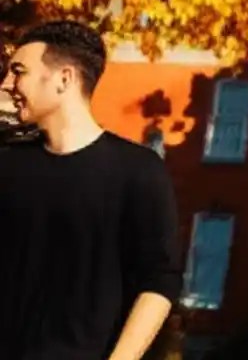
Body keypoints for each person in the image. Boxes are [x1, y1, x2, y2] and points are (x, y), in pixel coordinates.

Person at [0, 20, 182, 358]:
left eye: (18, 72)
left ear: (64, 79)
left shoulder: (139, 172)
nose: (7, 84)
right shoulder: (9, 164)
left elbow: (159, 280)